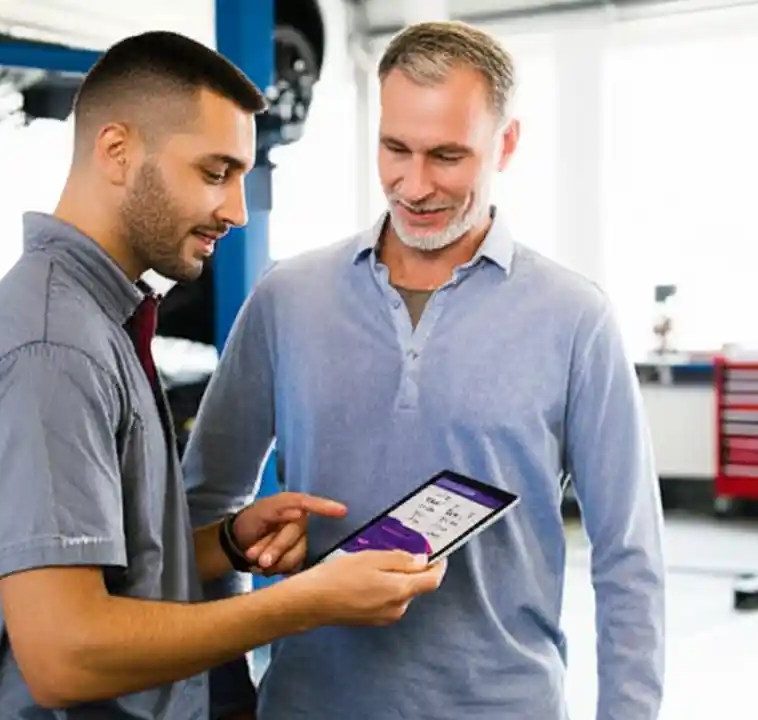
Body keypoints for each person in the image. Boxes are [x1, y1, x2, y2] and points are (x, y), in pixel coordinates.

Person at [0, 30, 446, 720]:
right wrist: (306, 602)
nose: (236, 210)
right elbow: (66, 655)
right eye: (214, 172)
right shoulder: (53, 349)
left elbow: (119, 572)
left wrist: (228, 542)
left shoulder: (98, 320)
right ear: (117, 152)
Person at [184, 20, 666, 720]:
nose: (414, 186)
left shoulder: (574, 318)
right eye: (395, 149)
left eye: (447, 156)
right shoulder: (288, 297)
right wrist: (226, 692)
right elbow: (207, 504)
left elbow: (629, 556)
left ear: (506, 144)